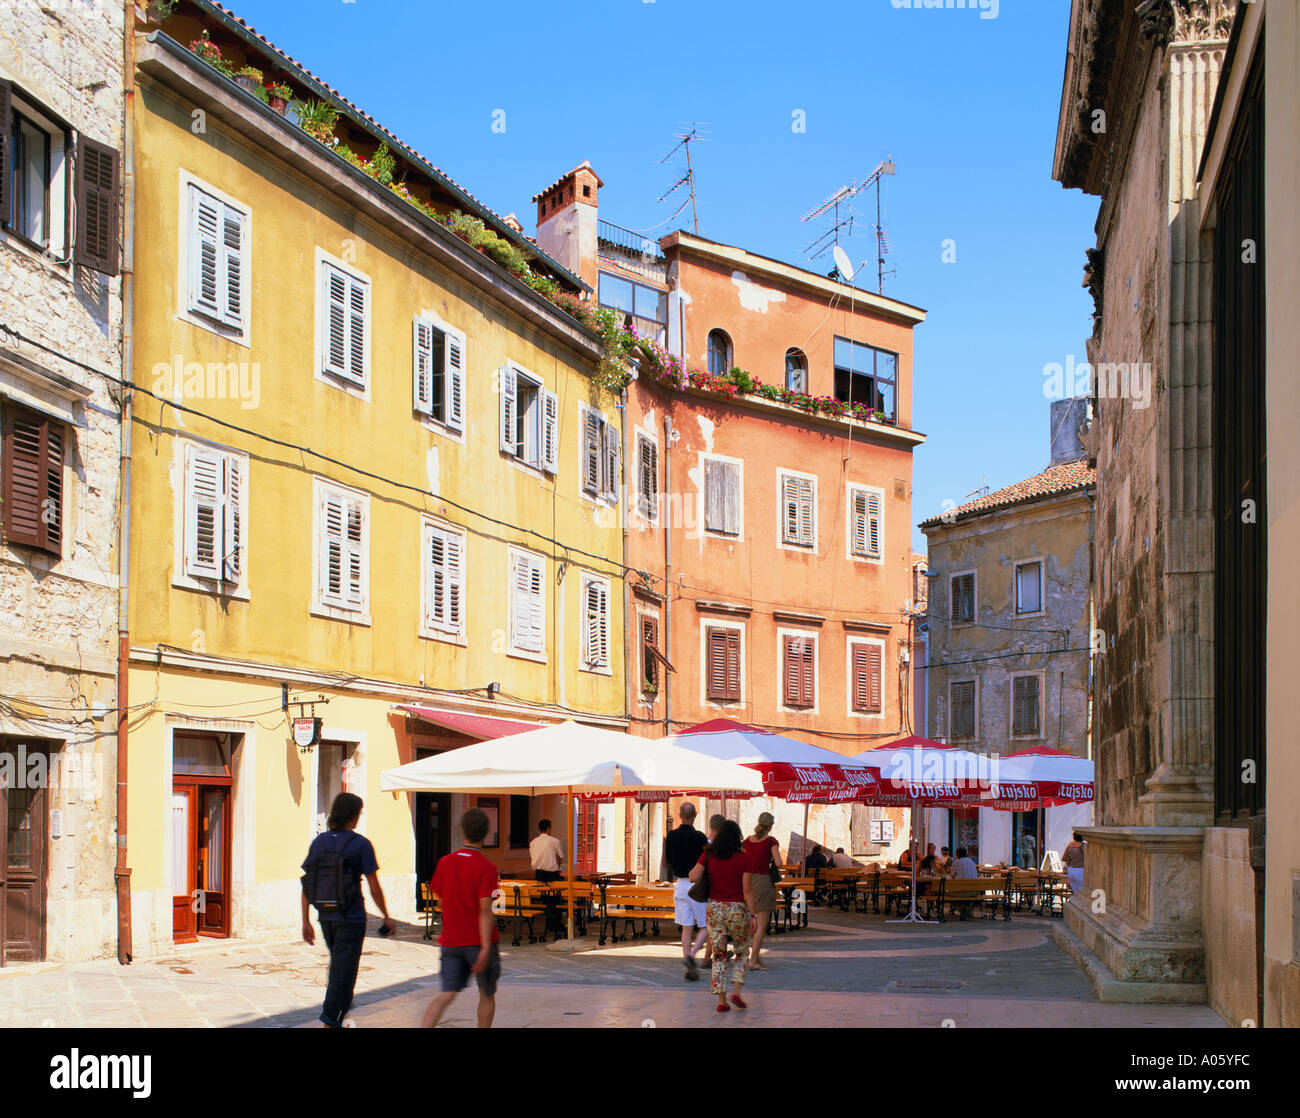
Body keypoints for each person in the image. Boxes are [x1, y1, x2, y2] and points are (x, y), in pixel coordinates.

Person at [301, 792, 395, 1029]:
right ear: (353, 815)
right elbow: (374, 888)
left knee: (340, 968)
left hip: (325, 917)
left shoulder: (319, 842)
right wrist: (386, 916)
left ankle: (338, 1015)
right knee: (343, 975)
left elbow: (307, 884)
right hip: (351, 918)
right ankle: (330, 1021)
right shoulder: (360, 845)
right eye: (359, 813)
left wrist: (305, 921)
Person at [423, 808, 501, 1029]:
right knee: (486, 994)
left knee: (446, 994)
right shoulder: (487, 868)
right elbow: (485, 909)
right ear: (486, 834)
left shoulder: (445, 862)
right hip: (478, 941)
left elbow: (439, 900)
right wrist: (485, 948)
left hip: (451, 940)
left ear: (462, 831)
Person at [689, 820, 757, 1012]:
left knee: (718, 954)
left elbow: (692, 876)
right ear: (738, 837)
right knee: (742, 951)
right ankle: (736, 990)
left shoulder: (708, 855)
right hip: (737, 909)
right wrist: (753, 915)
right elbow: (748, 890)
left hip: (714, 908)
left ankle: (721, 1001)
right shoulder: (745, 859)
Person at [664, 802, 709, 981]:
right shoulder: (700, 838)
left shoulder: (671, 836)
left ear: (680, 815)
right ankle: (692, 955)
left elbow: (667, 860)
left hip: (680, 884)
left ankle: (687, 967)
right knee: (707, 925)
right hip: (696, 884)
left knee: (686, 927)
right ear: (695, 815)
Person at [743, 812, 782, 971]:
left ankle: (755, 956)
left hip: (747, 881)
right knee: (761, 924)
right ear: (771, 825)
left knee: (752, 921)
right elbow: (779, 862)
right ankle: (752, 961)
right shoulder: (771, 841)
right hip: (763, 881)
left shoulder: (747, 841)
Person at [529, 818, 564, 884]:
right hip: (552, 875)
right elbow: (561, 859)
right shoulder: (554, 841)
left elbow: (533, 857)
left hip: (538, 874)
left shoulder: (533, 843)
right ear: (548, 828)